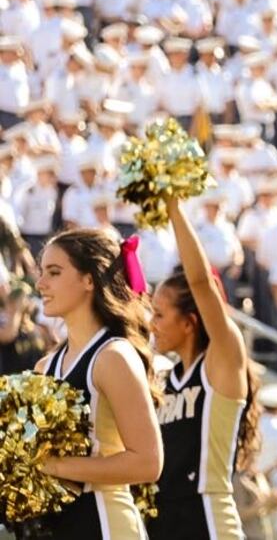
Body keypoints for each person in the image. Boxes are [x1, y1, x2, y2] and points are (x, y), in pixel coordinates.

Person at [32, 229, 163, 539]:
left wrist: (55, 466)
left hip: (105, 524)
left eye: (54, 272)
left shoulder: (113, 356)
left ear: (89, 279)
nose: (41, 284)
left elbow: (148, 462)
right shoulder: (44, 366)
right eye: (41, 273)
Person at [146, 196, 259, 539]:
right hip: (160, 522)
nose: (152, 324)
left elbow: (201, 284)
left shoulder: (221, 360)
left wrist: (174, 210)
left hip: (207, 521)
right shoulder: (163, 379)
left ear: (190, 321)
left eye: (160, 315)